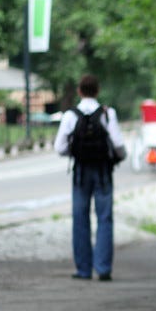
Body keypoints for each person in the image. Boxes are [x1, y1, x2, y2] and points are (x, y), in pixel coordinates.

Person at [56, 75, 127, 281]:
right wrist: (117, 157)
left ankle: (83, 270)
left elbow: (59, 147)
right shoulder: (107, 113)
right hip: (103, 171)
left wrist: (77, 153)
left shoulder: (71, 115)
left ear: (79, 91)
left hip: (80, 172)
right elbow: (118, 144)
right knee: (104, 218)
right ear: (98, 91)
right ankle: (103, 268)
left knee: (80, 219)